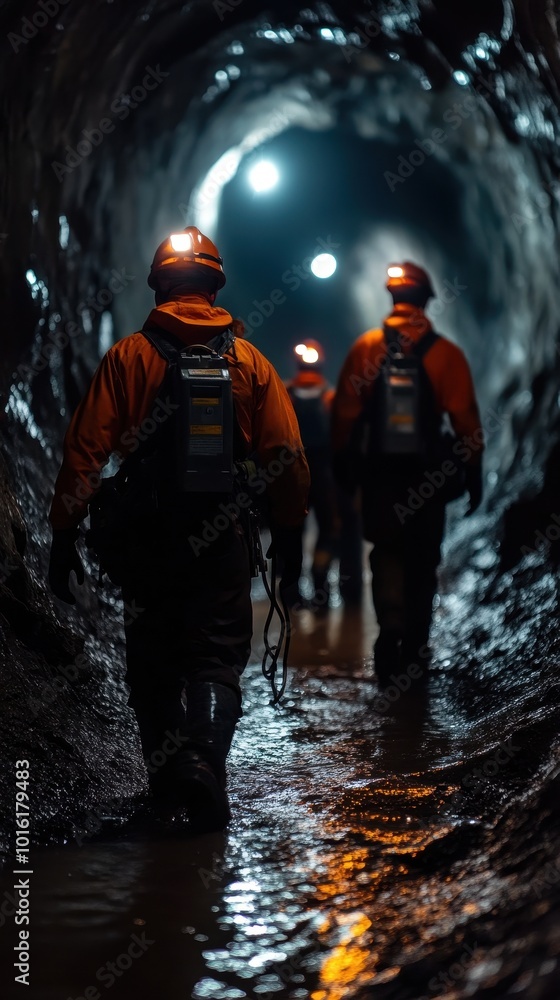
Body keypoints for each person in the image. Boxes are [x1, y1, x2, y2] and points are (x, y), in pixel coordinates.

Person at [48, 226, 309, 831]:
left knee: (154, 662)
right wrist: (289, 536)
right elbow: (287, 458)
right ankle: (203, 765)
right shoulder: (249, 362)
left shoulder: (129, 357)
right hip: (221, 537)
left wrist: (64, 532)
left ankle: (168, 792)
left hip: (148, 541)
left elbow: (85, 451)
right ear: (215, 285)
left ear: (160, 284)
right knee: (216, 659)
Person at [331, 261, 483, 680]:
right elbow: (466, 420)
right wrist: (474, 472)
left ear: (392, 297)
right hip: (428, 477)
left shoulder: (366, 348)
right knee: (422, 558)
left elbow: (344, 416)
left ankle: (389, 632)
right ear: (427, 300)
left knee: (386, 552)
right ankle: (416, 645)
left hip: (380, 477)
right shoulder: (446, 354)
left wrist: (344, 466)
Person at [286, 340, 363, 609]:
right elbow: (344, 435)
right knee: (329, 528)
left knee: (292, 529)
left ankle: (292, 593)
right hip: (326, 474)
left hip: (290, 475)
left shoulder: (285, 394)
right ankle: (321, 589)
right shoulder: (331, 397)